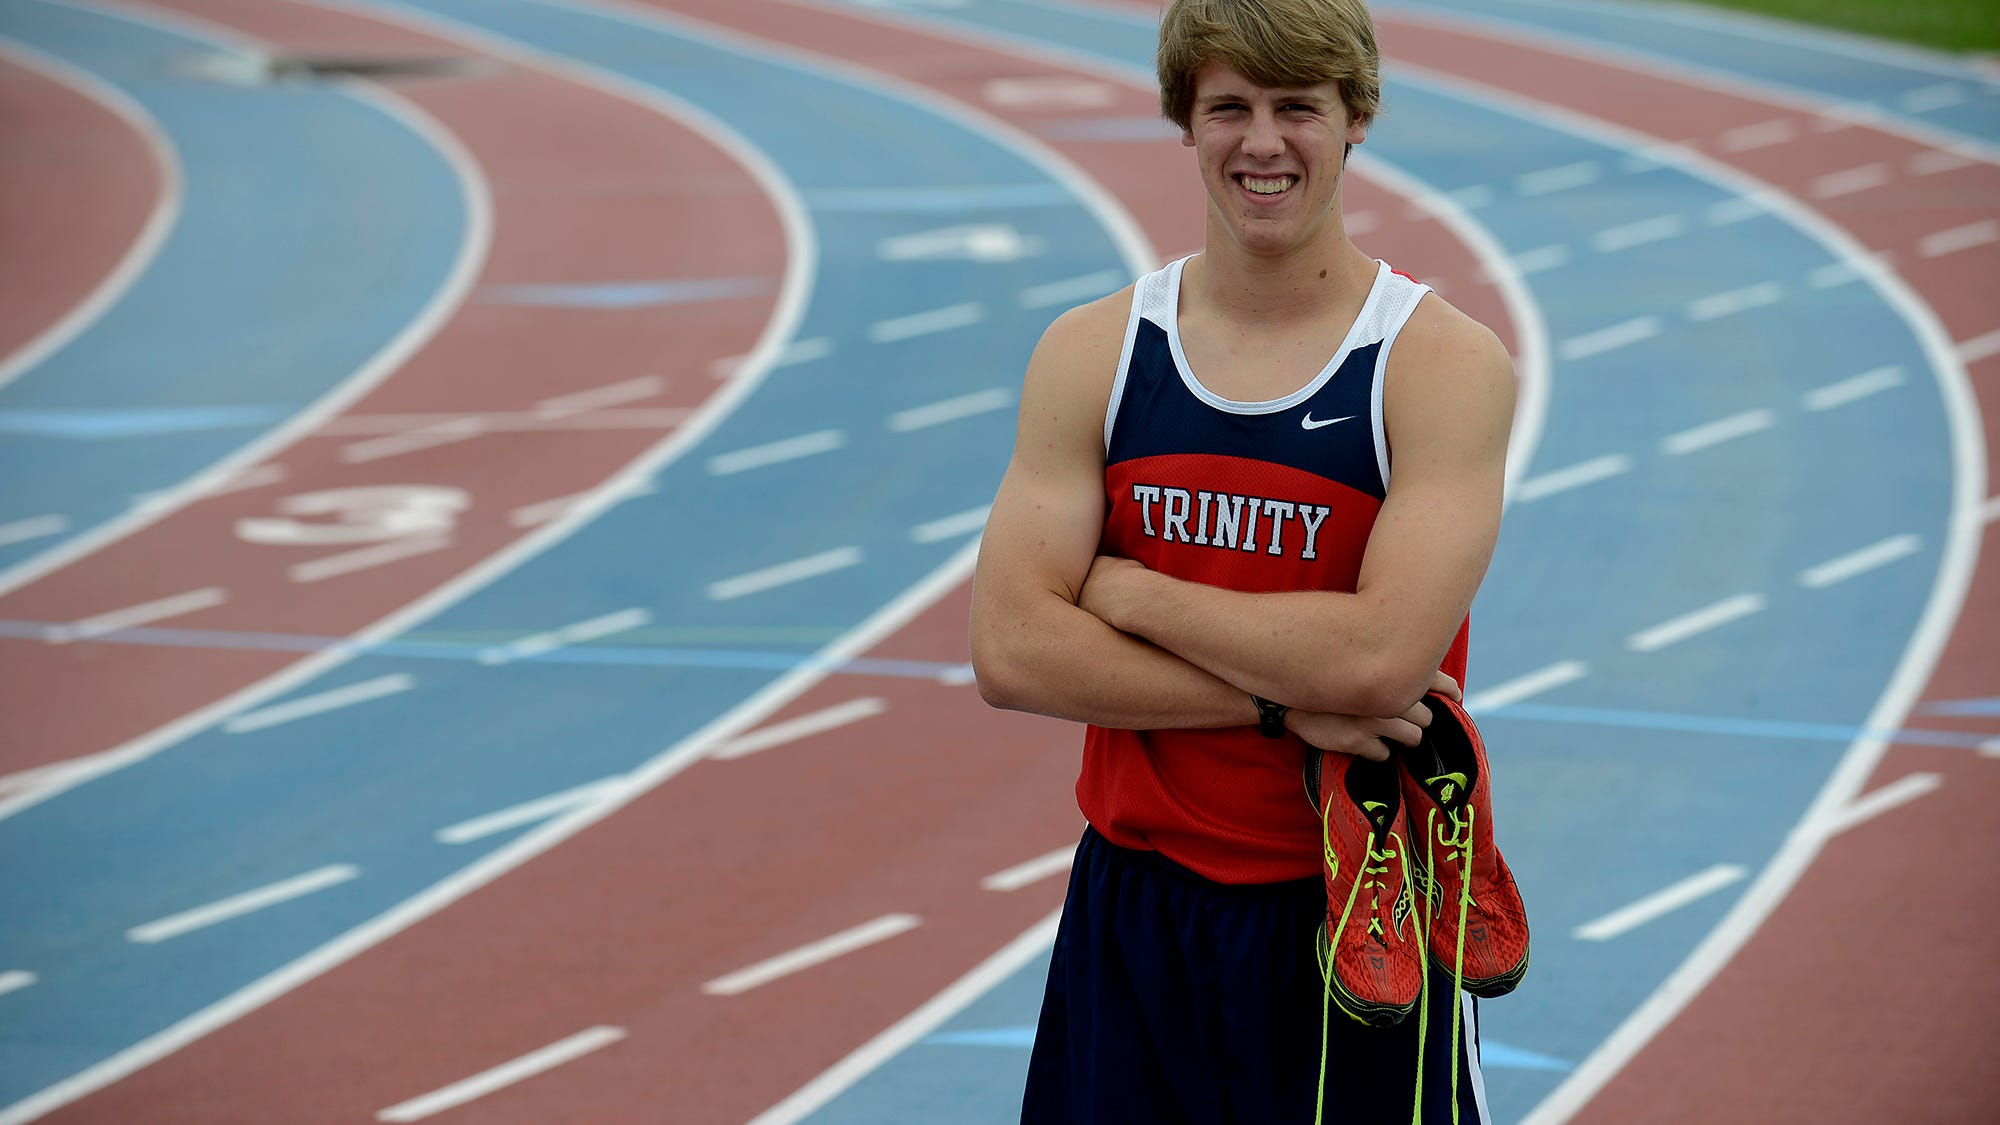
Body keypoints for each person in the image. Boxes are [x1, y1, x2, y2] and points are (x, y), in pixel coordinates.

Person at [967, 0, 1517, 1120]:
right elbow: (1012, 652)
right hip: (1133, 911)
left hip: (1356, 922)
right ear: (1183, 121)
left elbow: (1373, 666)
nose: (1261, 144)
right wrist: (1278, 703)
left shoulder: (1438, 365)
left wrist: (1123, 591)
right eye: (1229, 108)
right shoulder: (1093, 352)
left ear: (1355, 117)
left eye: (1296, 109)